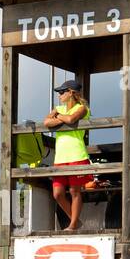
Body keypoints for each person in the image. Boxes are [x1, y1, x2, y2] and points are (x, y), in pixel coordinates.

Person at [43, 79, 92, 230]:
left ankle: (72, 225)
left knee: (74, 191)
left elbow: (72, 119)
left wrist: (58, 118)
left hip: (77, 155)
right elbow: (46, 122)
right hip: (60, 158)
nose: (59, 95)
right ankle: (76, 221)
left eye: (62, 92)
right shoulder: (58, 108)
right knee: (57, 193)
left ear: (71, 93)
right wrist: (60, 117)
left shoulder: (82, 108)